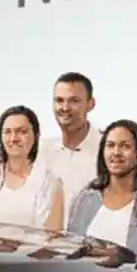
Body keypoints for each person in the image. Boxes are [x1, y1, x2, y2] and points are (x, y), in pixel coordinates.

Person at [66, 119, 137, 256]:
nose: (116, 152)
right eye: (110, 145)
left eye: (125, 146)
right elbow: (70, 249)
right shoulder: (86, 198)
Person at [0, 106, 64, 230]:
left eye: (22, 131)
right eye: (7, 132)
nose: (14, 138)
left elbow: (52, 237)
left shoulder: (50, 183)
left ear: (36, 136)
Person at [39, 72, 104, 225]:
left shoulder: (108, 151)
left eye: (74, 101)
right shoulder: (42, 151)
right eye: (59, 101)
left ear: (91, 104)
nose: (65, 108)